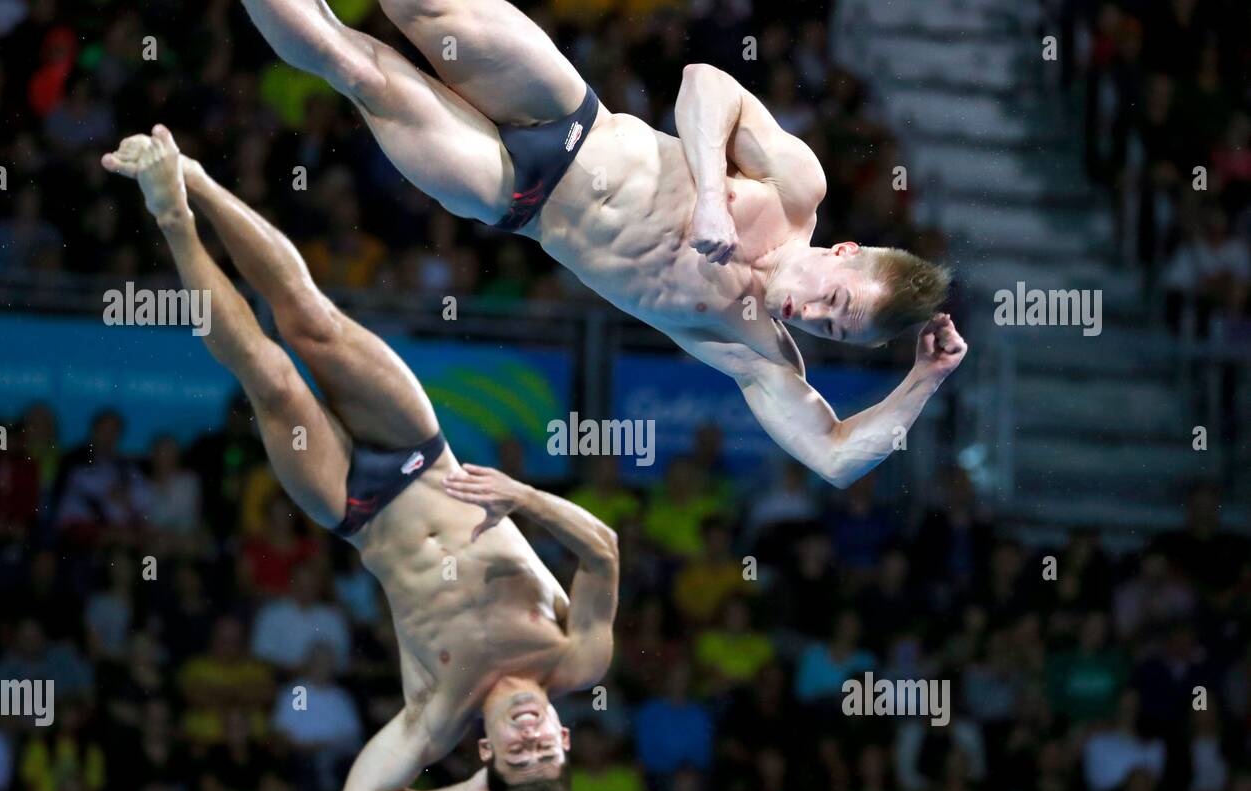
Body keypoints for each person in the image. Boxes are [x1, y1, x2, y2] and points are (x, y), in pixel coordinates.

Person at [102, 126, 618, 791]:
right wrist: (525, 498)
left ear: (488, 750)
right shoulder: (578, 654)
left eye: (516, 758)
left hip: (356, 504)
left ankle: (172, 215)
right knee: (312, 321)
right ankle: (198, 179)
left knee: (271, 374)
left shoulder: (438, 717)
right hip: (423, 456)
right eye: (544, 754)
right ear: (563, 738)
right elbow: (603, 549)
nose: (529, 742)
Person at [239, 0, 967, 488]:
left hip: (508, 193)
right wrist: (711, 194)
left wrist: (923, 380)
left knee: (356, 68)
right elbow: (704, 83)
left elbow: (835, 459)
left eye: (831, 328)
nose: (813, 314)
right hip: (565, 111)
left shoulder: (752, 348)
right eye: (833, 299)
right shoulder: (796, 188)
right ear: (842, 252)